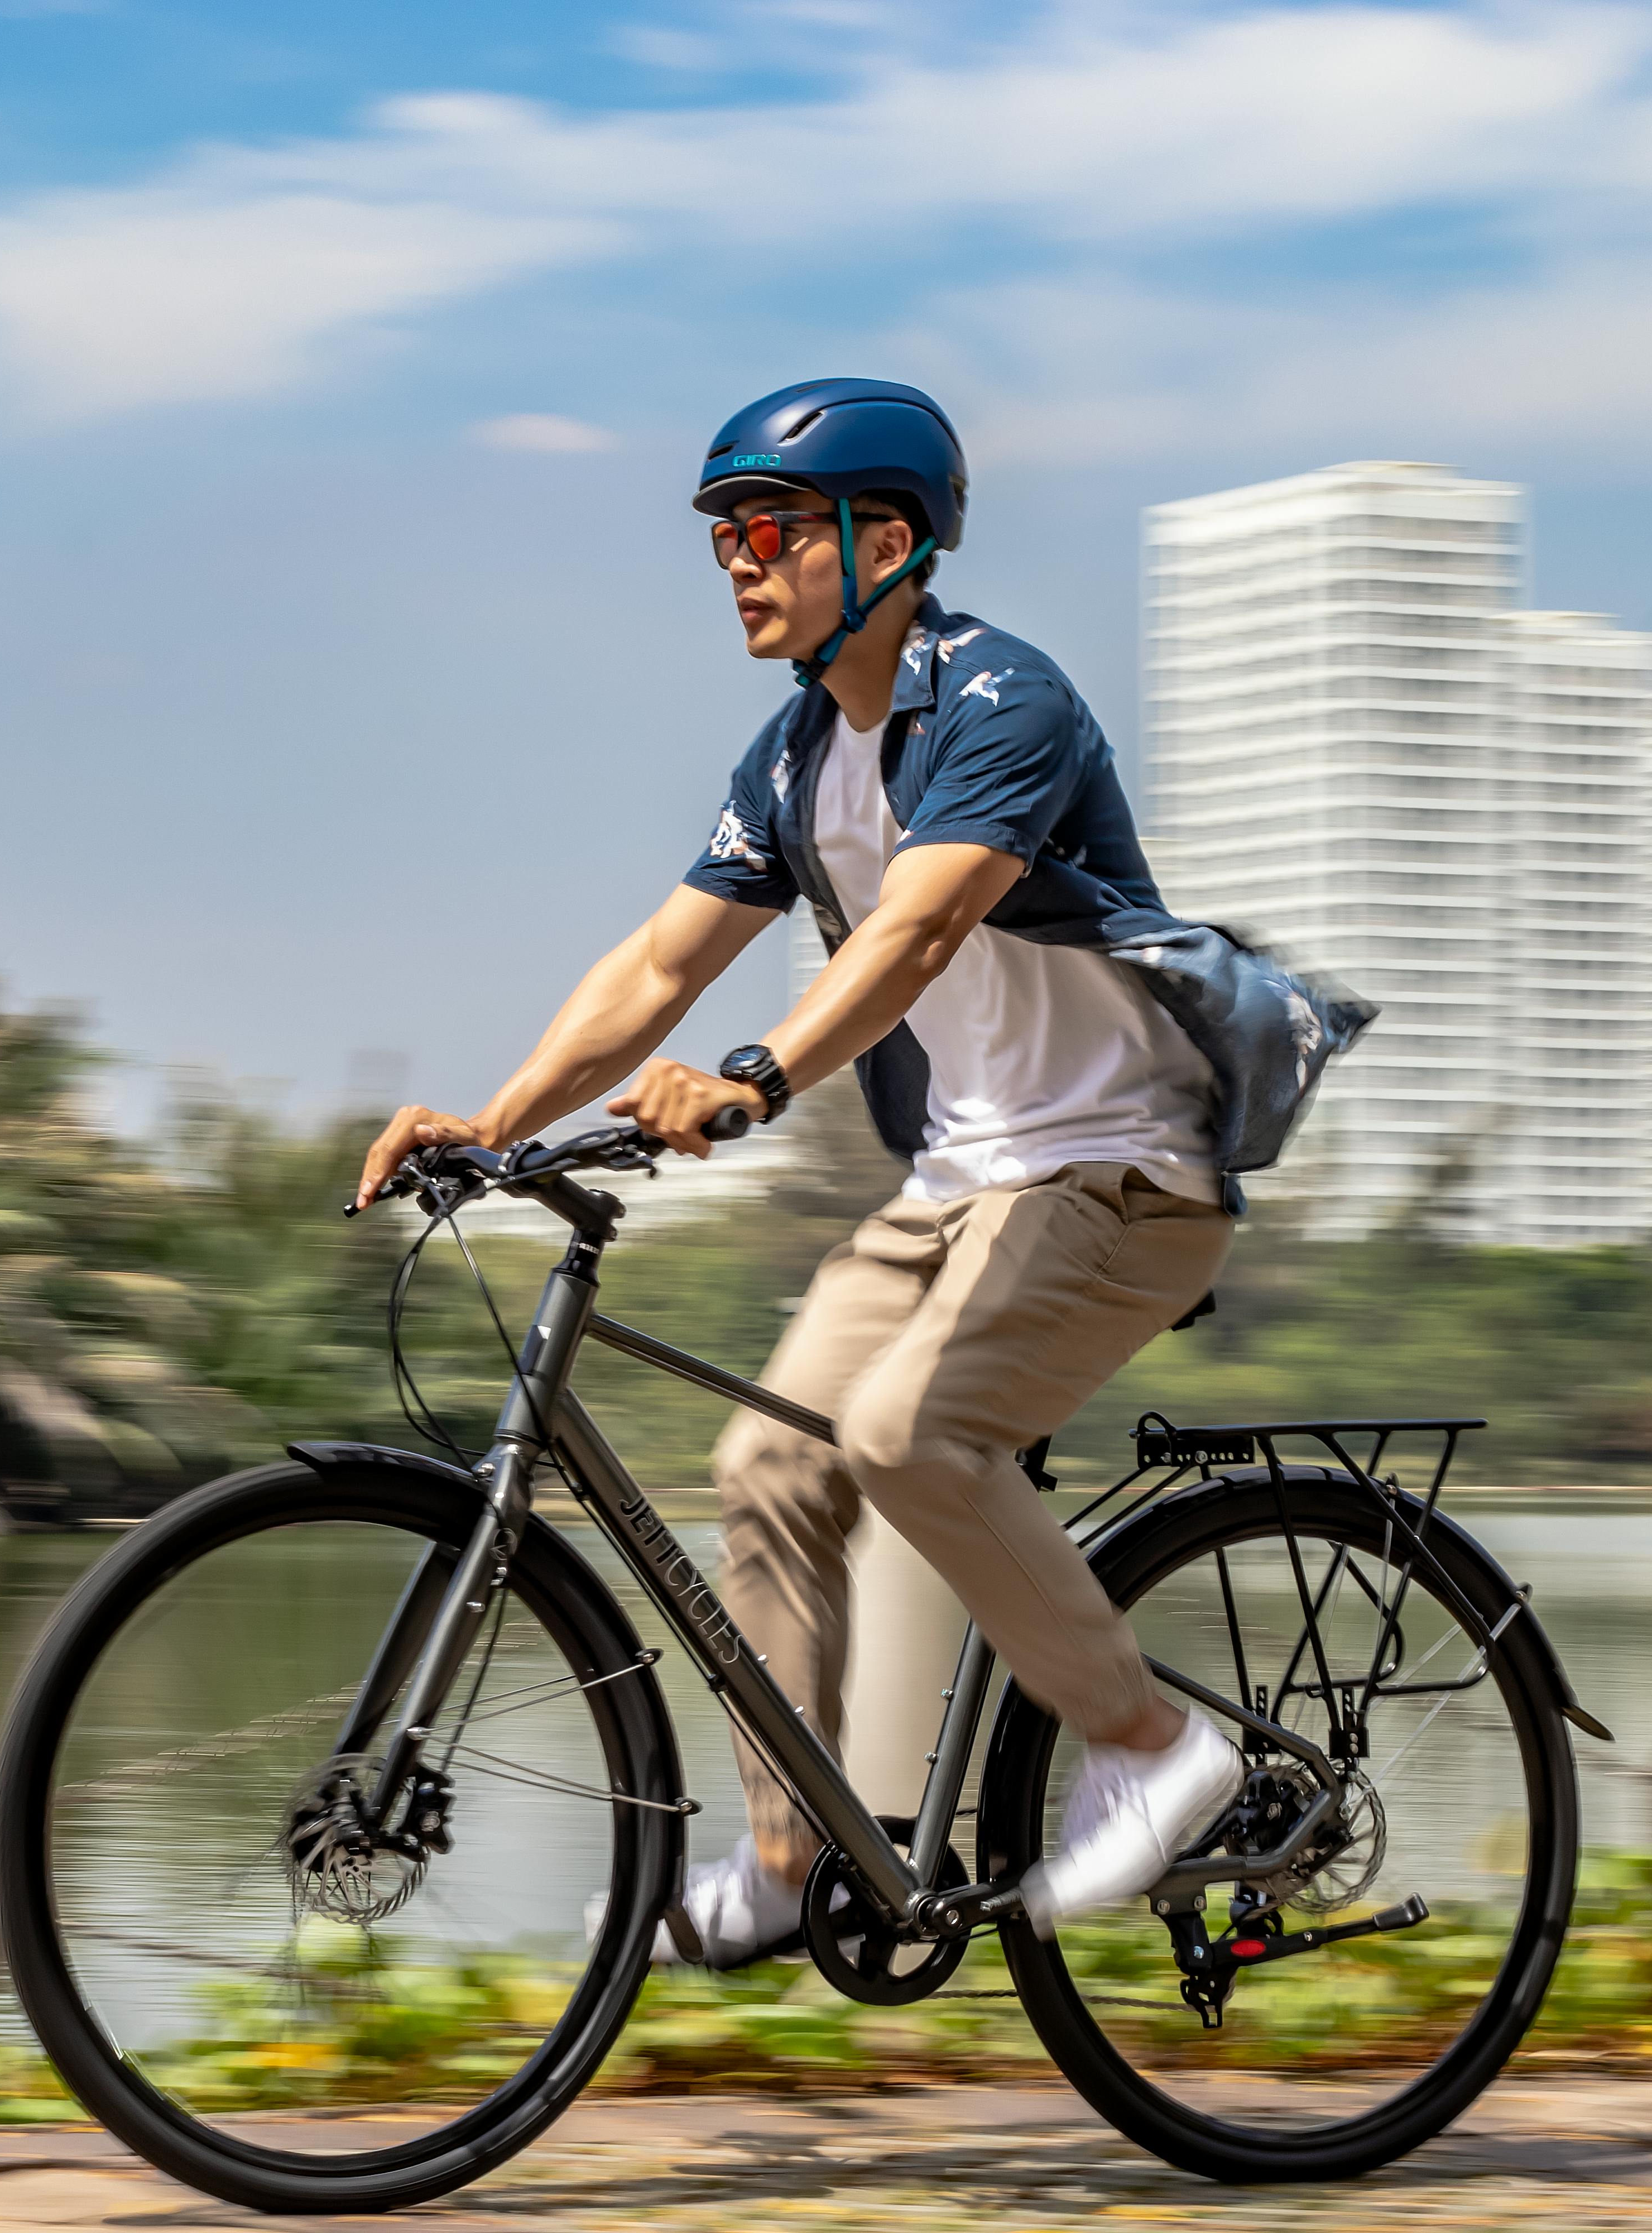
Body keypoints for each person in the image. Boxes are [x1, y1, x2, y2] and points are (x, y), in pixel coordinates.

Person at [352, 378, 1369, 1961]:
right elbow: (659, 967)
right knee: (768, 1465)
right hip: (959, 1188)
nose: (739, 563)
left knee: (905, 1434)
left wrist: (756, 1077)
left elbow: (920, 927)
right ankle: (788, 1857)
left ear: (885, 542)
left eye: (770, 531)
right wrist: (497, 1122)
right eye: (722, 540)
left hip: (1120, 1178)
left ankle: (1154, 1746)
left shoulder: (1002, 700)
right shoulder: (794, 754)